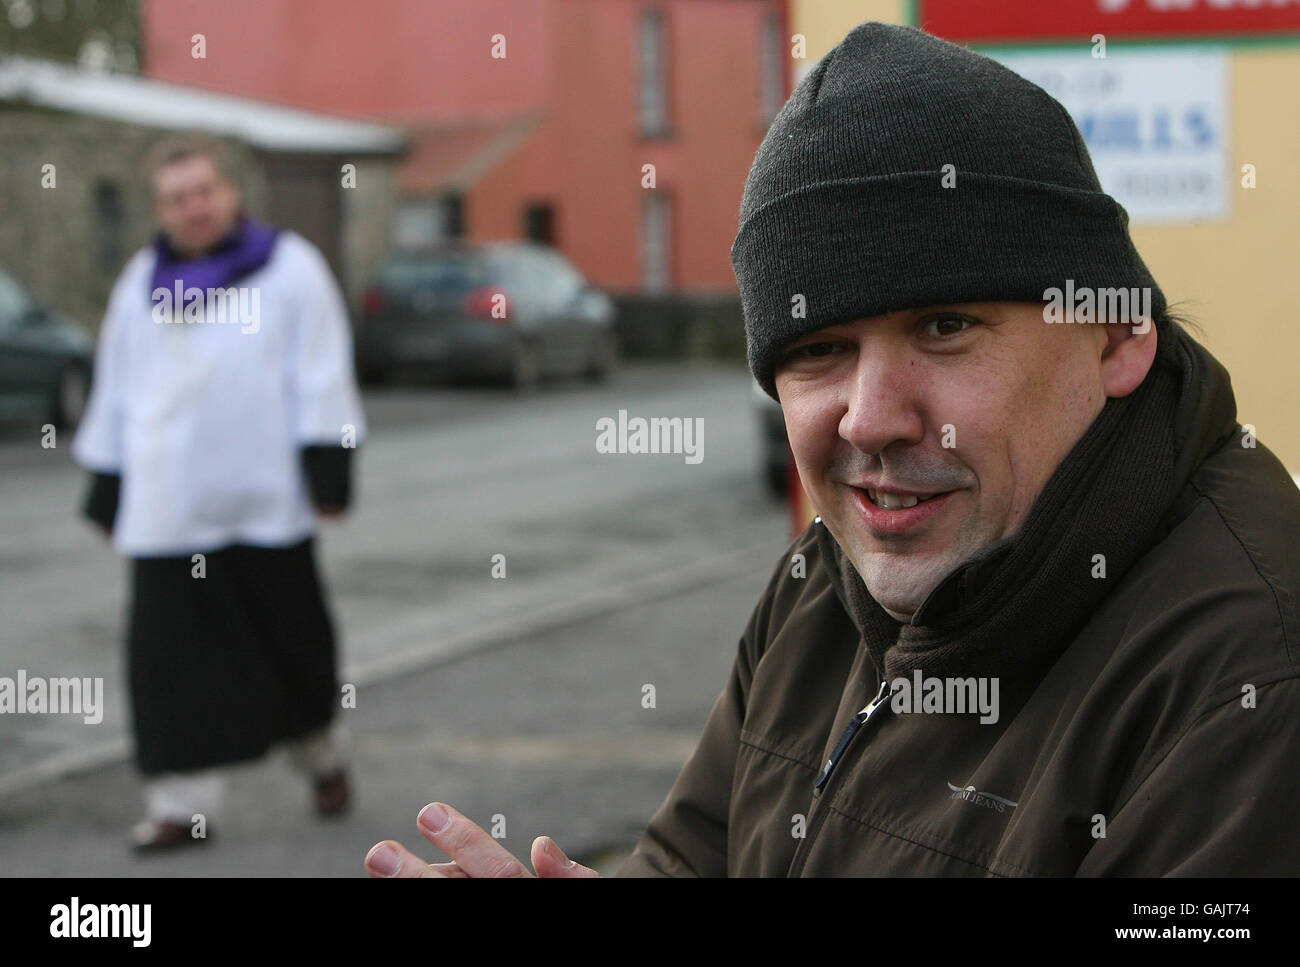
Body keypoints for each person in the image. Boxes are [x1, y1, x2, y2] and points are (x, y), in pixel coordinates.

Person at [363, 22, 1300, 877]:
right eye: (818, 350)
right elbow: (692, 858)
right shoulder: (821, 586)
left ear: (1116, 336)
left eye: (944, 325)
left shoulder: (1252, 684)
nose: (869, 419)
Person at [73, 132, 367, 851]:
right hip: (170, 511)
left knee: (295, 656)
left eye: (204, 191)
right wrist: (108, 488)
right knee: (169, 668)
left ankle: (321, 757)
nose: (193, 208)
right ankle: (179, 806)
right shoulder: (141, 283)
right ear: (160, 209)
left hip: (265, 506)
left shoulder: (291, 270)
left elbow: (322, 373)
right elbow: (119, 389)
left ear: (231, 193)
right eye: (176, 198)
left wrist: (329, 469)